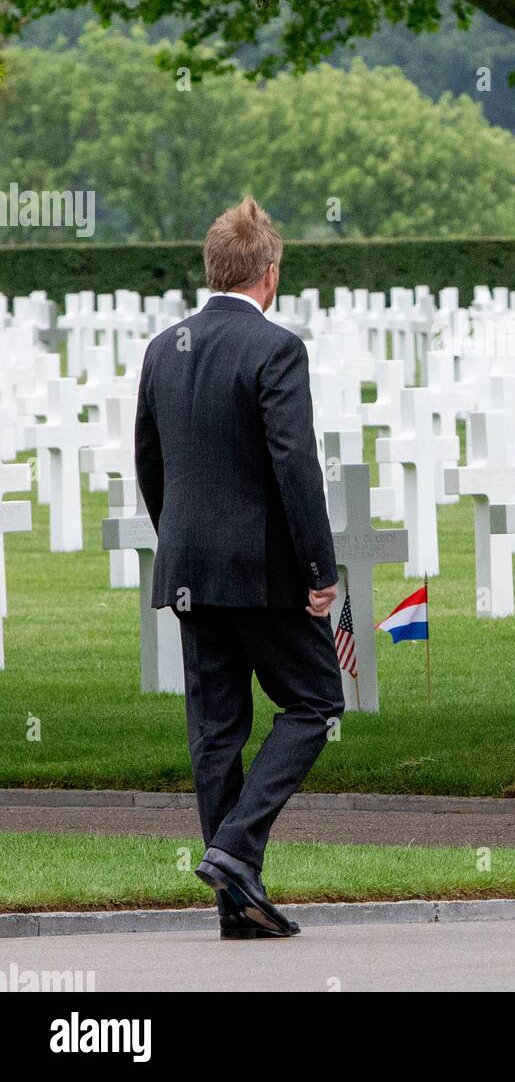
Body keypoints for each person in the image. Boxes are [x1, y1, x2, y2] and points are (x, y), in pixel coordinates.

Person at [135, 196, 344, 939]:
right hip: (263, 572)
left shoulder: (165, 347)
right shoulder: (276, 349)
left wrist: (184, 544)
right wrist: (321, 568)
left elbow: (150, 465)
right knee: (316, 703)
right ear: (270, 275)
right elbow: (295, 466)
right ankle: (234, 848)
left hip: (191, 570)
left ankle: (237, 905)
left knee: (217, 730)